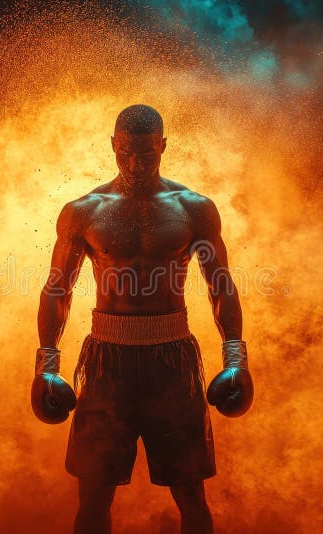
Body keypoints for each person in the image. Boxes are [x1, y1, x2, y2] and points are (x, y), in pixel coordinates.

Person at [31, 104, 253, 534]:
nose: (135, 164)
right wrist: (47, 365)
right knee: (94, 493)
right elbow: (58, 289)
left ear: (164, 147)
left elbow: (220, 284)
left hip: (172, 364)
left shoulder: (193, 209)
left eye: (147, 155)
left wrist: (235, 358)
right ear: (113, 145)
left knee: (190, 493)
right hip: (106, 364)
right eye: (126, 153)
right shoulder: (84, 210)